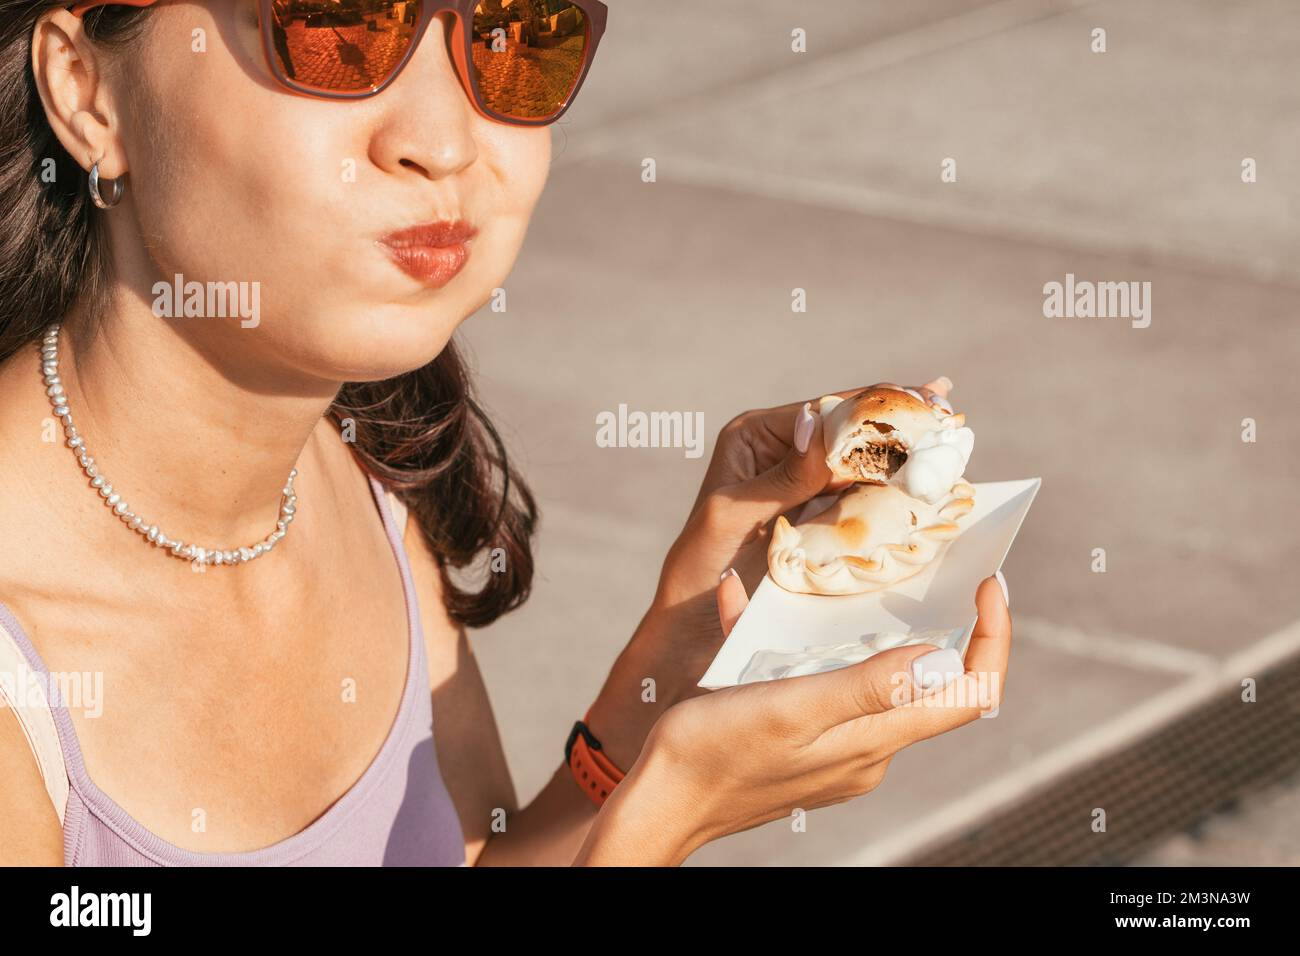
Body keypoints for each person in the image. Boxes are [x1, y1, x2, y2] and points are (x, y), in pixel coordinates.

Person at [0, 0, 1010, 866]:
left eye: (522, 33)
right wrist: (660, 821)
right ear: (87, 90)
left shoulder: (371, 482)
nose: (444, 140)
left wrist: (658, 690)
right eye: (340, 25)